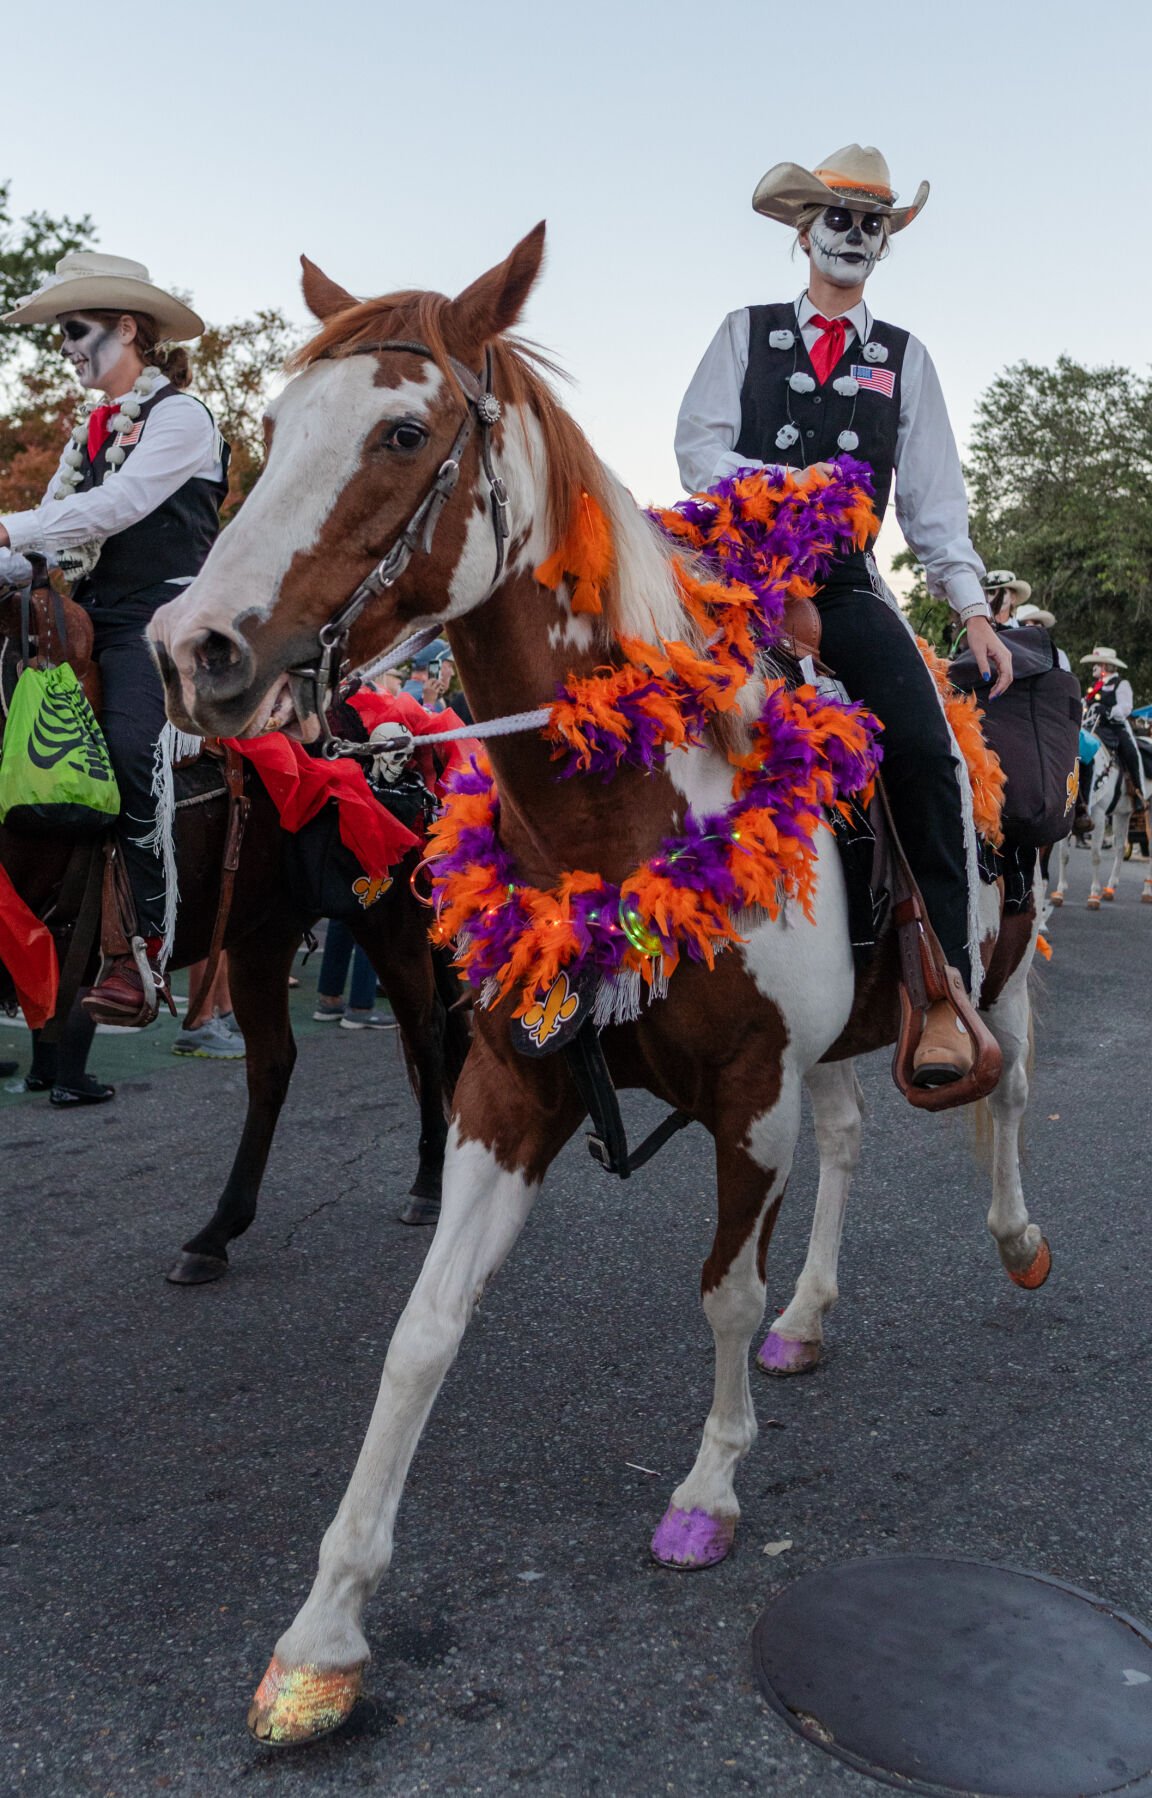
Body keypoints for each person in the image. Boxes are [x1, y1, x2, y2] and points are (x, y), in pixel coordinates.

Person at [676, 144, 1011, 1086]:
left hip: (847, 585)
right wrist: (793, 485)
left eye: (874, 222)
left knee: (923, 745)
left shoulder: (905, 359)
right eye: (840, 217)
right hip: (734, 572)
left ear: (885, 243)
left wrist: (975, 611)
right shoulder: (743, 332)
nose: (856, 235)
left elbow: (936, 505)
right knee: (622, 699)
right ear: (804, 230)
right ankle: (579, 946)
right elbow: (698, 450)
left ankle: (942, 993)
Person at [0, 252, 229, 1029]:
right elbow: (51, 543)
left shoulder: (184, 419)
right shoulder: (88, 433)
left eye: (74, 330)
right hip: (88, 616)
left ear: (128, 329)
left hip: (163, 619)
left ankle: (145, 948)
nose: (63, 347)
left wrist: (13, 528)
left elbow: (118, 507)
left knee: (130, 747)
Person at [1081, 647, 1142, 799]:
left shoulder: (1121, 684)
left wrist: (1108, 711)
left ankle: (1138, 791)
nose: (1093, 667)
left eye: (1096, 663)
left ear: (1105, 666)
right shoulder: (1096, 686)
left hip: (1115, 727)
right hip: (1093, 726)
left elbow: (1126, 707)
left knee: (1130, 753)